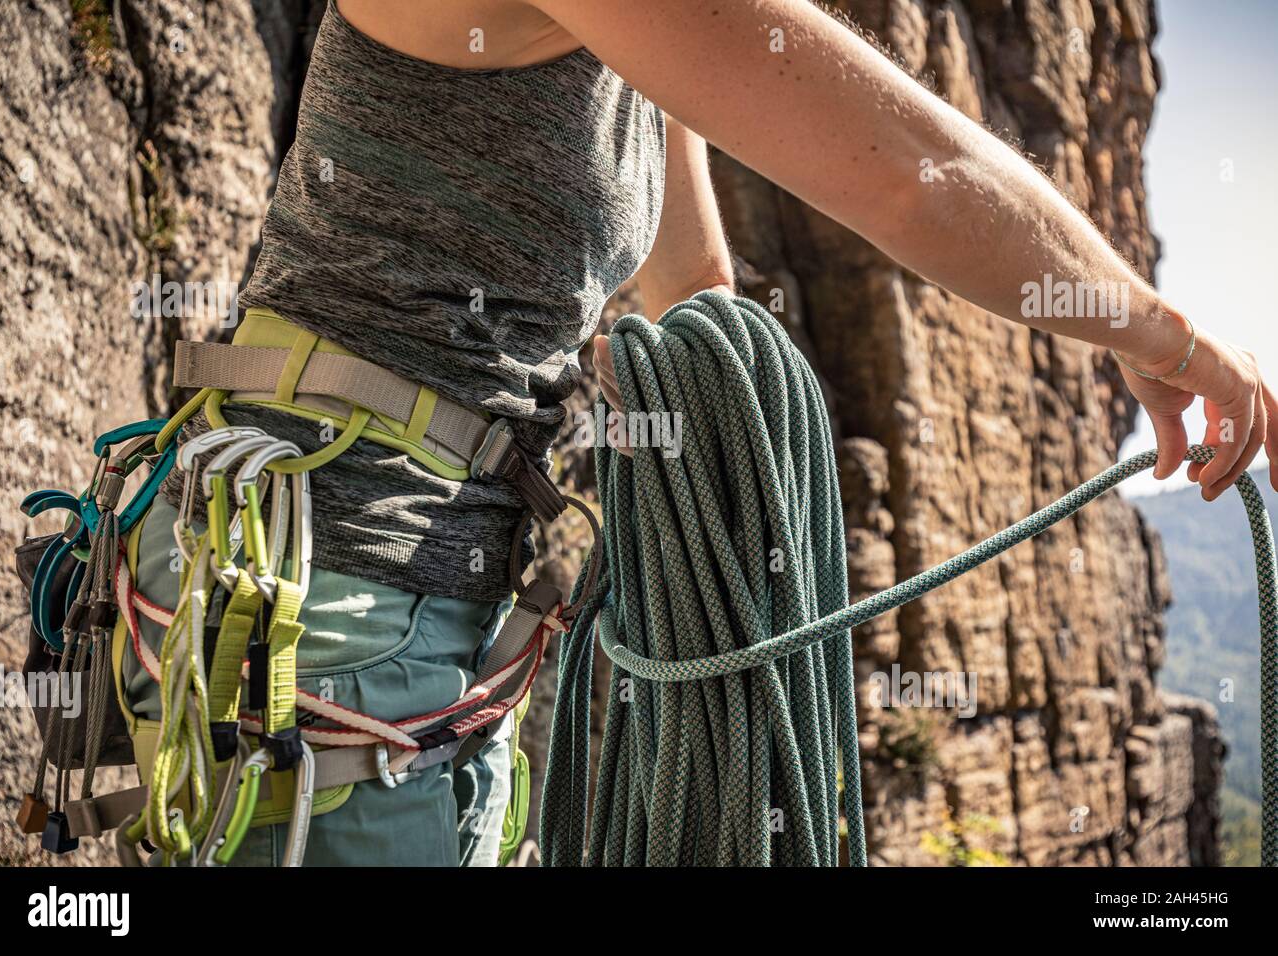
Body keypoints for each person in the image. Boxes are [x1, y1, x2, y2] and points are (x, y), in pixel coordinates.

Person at [126, 0, 1276, 866]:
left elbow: (693, 290)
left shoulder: (633, 54)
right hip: (333, 594)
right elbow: (919, 183)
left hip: (419, 599)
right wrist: (1166, 339)